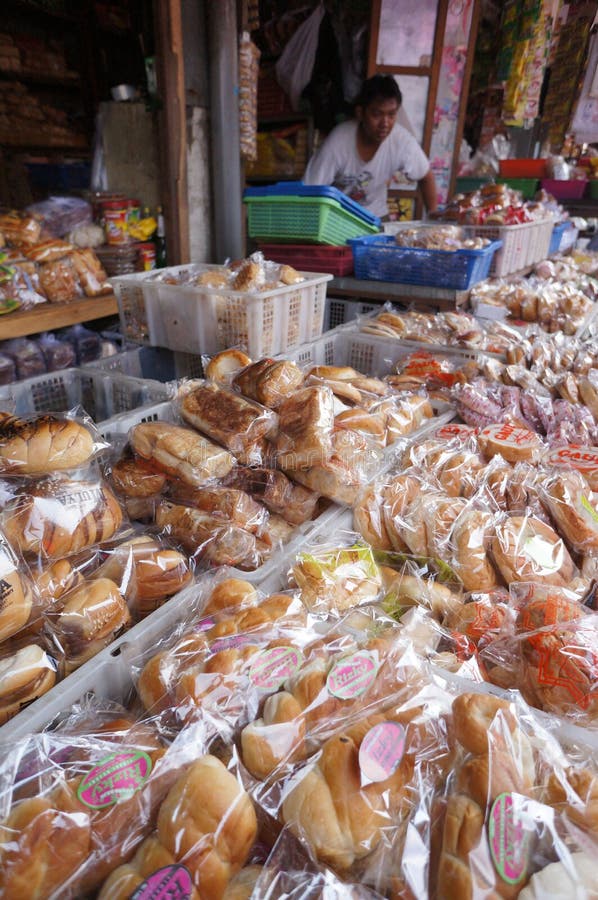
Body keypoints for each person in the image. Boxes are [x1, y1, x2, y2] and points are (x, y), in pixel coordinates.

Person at [303, 74, 437, 218]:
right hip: (338, 219)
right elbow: (309, 191)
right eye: (377, 114)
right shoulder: (337, 142)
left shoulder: (401, 140)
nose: (385, 124)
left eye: (391, 115)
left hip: (376, 218)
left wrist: (433, 215)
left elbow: (426, 176)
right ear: (360, 113)